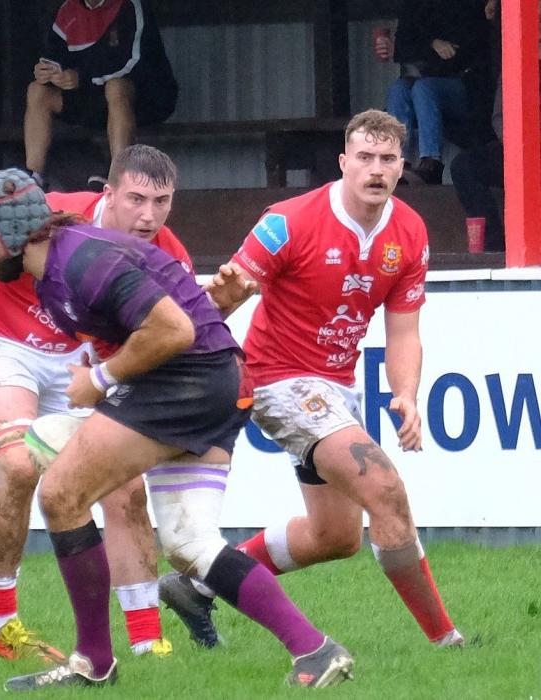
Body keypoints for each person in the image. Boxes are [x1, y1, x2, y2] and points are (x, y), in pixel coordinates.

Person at [0, 168, 353, 692]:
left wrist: (99, 381)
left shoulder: (81, 262)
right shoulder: (62, 266)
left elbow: (174, 328)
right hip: (218, 383)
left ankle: (93, 663)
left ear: (10, 234)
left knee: (61, 494)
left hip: (186, 386)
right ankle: (316, 649)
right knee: (191, 544)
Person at [170, 109, 464, 651]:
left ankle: (196, 583)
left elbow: (403, 332)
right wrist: (182, 353)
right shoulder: (289, 220)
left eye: (388, 159)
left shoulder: (410, 231)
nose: (376, 169)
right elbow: (223, 300)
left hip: (336, 387)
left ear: (402, 167)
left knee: (335, 537)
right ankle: (447, 642)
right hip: (278, 379)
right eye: (365, 158)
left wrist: (405, 393)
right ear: (343, 163)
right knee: (386, 491)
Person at [0, 145, 189, 662]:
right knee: (19, 464)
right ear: (107, 194)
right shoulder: (48, 212)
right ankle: (0, 625)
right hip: (3, 340)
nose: (147, 215)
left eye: (161, 202)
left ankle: (146, 641)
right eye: (135, 199)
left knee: (125, 488)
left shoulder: (165, 250)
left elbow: (170, 328)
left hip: (82, 359)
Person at [24, 0, 177, 189]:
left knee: (116, 87)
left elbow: (133, 63)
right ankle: (32, 178)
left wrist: (81, 77)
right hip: (93, 99)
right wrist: (47, 72)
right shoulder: (68, 10)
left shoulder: (130, 5)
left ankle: (117, 178)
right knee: (37, 90)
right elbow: (55, 56)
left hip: (145, 99)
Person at [383, 0, 495, 185]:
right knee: (398, 90)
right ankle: (395, 162)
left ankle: (431, 163)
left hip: (465, 86)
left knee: (424, 89)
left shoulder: (466, 6)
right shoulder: (413, 6)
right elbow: (402, 47)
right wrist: (432, 45)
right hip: (426, 80)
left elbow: (463, 52)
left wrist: (423, 51)